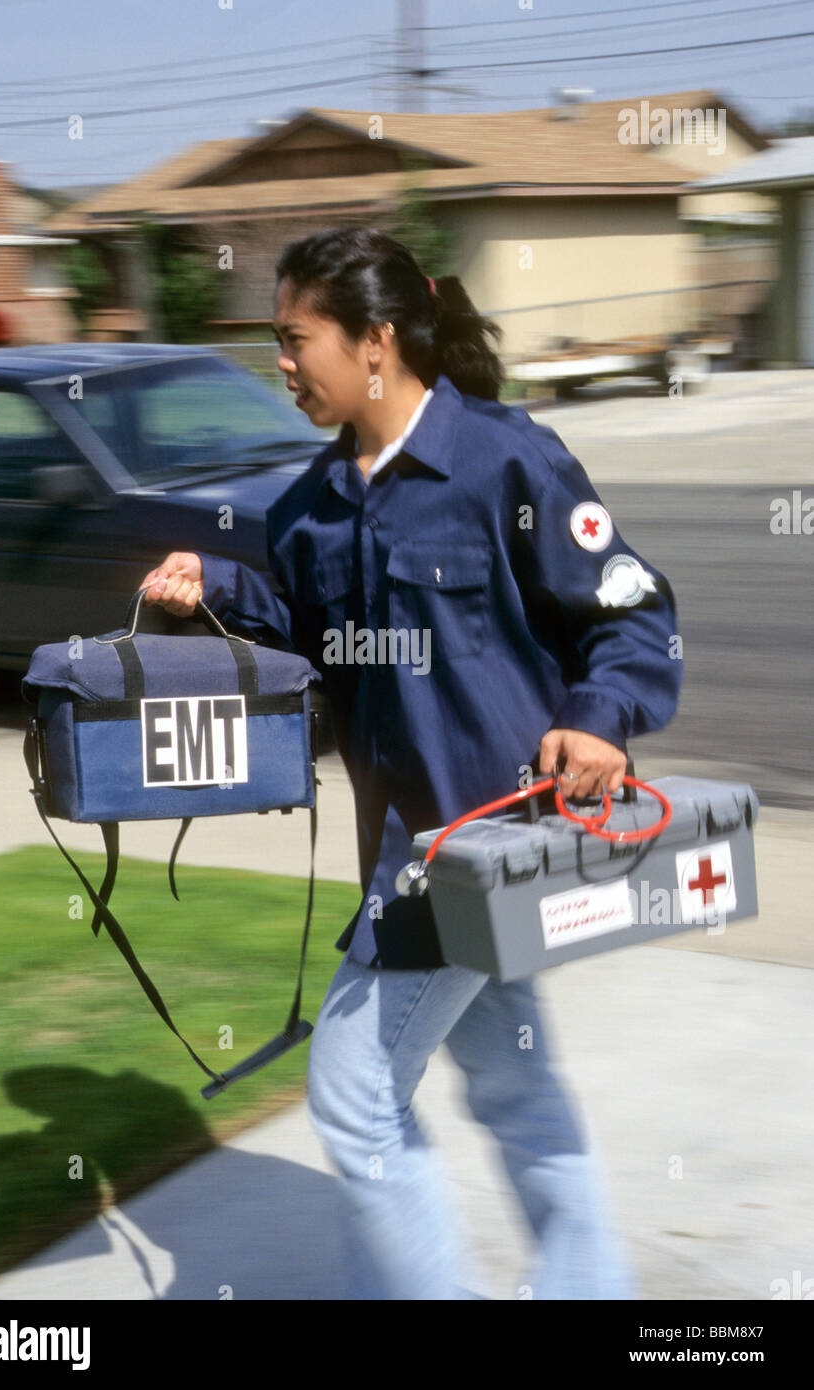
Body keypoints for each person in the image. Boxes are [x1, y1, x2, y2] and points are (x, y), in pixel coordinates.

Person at [139, 226, 682, 1300]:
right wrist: (215, 586)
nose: (280, 364)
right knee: (512, 1082)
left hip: (489, 849)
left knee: (349, 1090)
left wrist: (599, 716)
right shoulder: (306, 509)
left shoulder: (503, 459)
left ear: (375, 340)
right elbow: (305, 625)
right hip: (400, 853)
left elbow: (629, 611)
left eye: (296, 340)